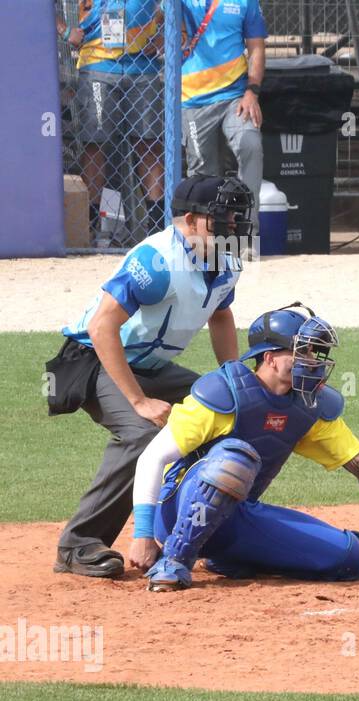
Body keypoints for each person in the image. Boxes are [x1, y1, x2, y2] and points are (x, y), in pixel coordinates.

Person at [128, 305, 359, 592]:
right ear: (270, 357)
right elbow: (151, 458)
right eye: (301, 352)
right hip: (176, 513)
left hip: (233, 520)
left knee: (356, 556)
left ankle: (234, 557)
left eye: (315, 353)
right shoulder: (223, 395)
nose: (313, 361)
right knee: (234, 457)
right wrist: (142, 535)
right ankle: (174, 562)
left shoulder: (308, 406)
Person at [48, 173, 253, 578]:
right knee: (141, 434)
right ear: (191, 220)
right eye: (223, 220)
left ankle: (196, 533)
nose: (233, 228)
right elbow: (102, 326)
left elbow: (222, 314)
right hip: (95, 360)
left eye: (235, 220)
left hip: (153, 367)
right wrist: (139, 401)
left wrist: (231, 378)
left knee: (226, 412)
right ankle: (77, 545)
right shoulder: (156, 261)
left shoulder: (225, 261)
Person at [64, 0, 168, 243]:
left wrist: (167, 34)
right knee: (96, 146)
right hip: (98, 64)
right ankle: (89, 227)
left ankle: (156, 230)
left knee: (149, 145)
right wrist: (65, 30)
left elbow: (175, 6)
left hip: (144, 66)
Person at [179, 0, 266, 235]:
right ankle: (209, 237)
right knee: (204, 173)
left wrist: (252, 91)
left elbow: (256, 46)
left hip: (236, 97)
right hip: (194, 100)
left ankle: (246, 232)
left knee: (250, 145)